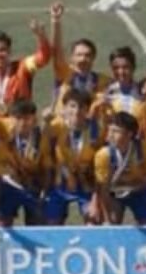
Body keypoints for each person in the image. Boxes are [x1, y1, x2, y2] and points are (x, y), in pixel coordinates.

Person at [44, 89, 105, 225]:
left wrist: (95, 201)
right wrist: (46, 121)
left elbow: (100, 170)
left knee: (93, 221)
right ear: (64, 108)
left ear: (88, 110)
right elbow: (44, 152)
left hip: (87, 187)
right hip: (60, 186)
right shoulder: (56, 127)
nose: (76, 111)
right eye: (72, 106)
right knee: (51, 224)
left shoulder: (96, 132)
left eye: (81, 107)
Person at [0, 16, 51, 115]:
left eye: (2, 50)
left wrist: (41, 36)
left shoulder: (23, 67)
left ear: (9, 51)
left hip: (20, 125)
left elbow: (43, 57)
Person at [0, 100, 53, 225]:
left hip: (33, 184)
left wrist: (44, 192)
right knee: (4, 219)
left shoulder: (41, 138)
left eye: (27, 119)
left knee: (37, 219)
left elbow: (47, 169)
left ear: (34, 119)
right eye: (18, 118)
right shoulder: (4, 131)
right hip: (11, 183)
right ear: (11, 119)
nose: (22, 123)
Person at [92, 111, 146, 226]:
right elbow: (104, 188)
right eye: (109, 130)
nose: (110, 135)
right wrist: (107, 220)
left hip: (139, 191)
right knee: (112, 223)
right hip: (115, 192)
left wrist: (138, 185)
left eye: (116, 131)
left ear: (130, 134)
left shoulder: (144, 148)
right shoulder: (103, 155)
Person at [50, 2, 111, 113]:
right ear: (72, 57)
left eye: (87, 55)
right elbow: (56, 50)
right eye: (79, 55)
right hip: (63, 127)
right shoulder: (64, 73)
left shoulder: (103, 80)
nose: (83, 59)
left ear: (94, 57)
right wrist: (56, 21)